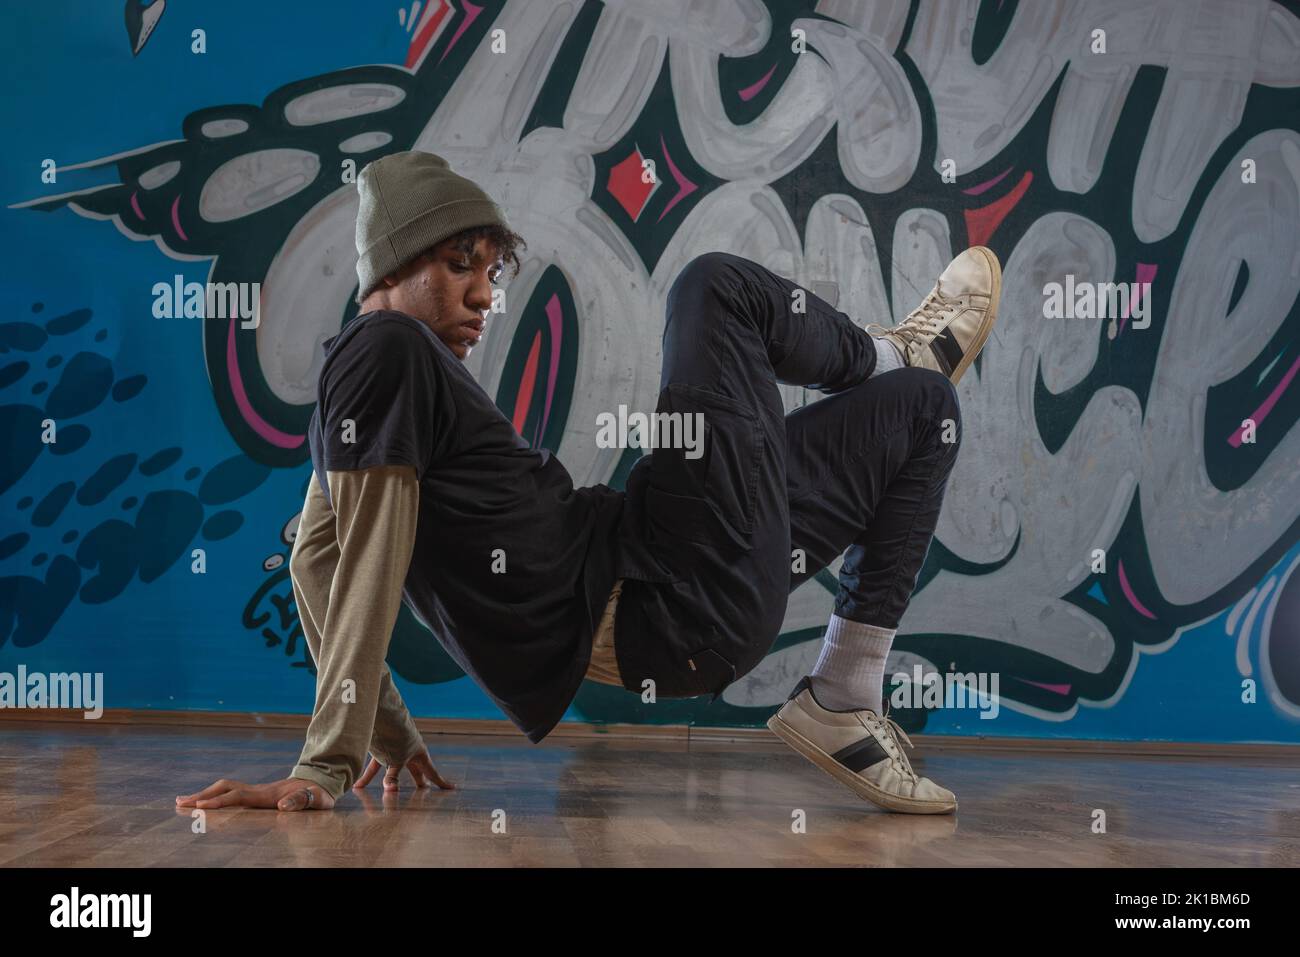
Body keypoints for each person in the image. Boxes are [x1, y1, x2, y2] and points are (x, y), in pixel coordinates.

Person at [175, 150, 1000, 816]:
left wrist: (385, 734)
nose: (481, 295)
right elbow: (356, 564)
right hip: (668, 590)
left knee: (924, 412)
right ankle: (887, 350)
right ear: (392, 262)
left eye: (493, 275)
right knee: (714, 288)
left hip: (674, 565)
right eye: (461, 264)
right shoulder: (382, 349)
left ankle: (847, 692)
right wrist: (329, 763)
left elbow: (315, 561)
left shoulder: (363, 379)